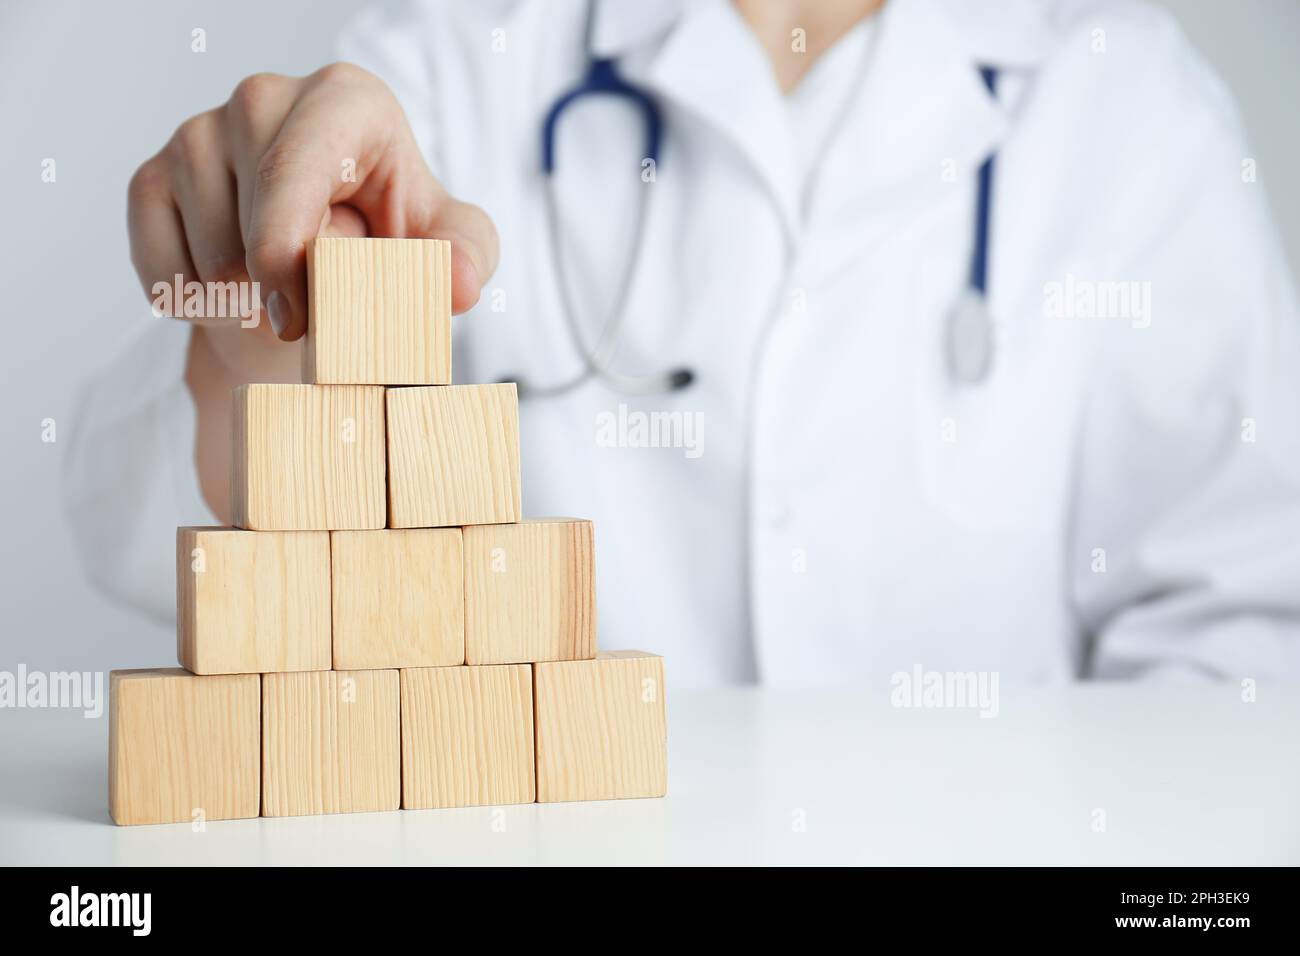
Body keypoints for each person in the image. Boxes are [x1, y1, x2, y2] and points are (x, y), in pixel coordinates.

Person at [65, 0, 1300, 687]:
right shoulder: (451, 62)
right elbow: (137, 536)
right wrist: (258, 347)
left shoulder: (1134, 107)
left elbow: (1240, 632)